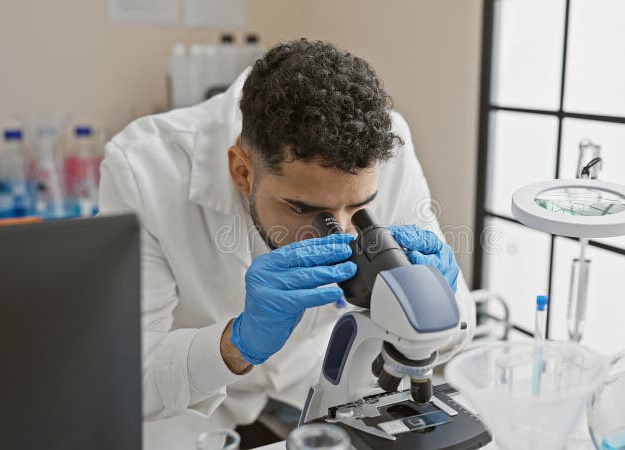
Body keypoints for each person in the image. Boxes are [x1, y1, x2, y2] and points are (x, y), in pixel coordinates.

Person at [99, 38, 475, 450]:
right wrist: (235, 343)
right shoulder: (142, 168)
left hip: (324, 393)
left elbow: (458, 325)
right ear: (242, 172)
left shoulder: (386, 142)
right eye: (303, 208)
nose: (343, 235)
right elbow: (124, 378)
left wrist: (440, 300)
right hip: (194, 412)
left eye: (361, 207)